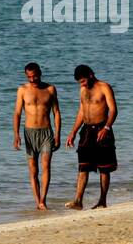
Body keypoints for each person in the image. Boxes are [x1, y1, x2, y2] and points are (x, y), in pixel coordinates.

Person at [65, 65, 117, 209]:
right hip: (86, 131)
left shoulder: (104, 87)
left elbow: (113, 110)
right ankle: (78, 201)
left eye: (83, 81)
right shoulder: (82, 90)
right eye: (79, 82)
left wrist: (106, 128)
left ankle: (102, 200)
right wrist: (73, 132)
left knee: (104, 168)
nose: (82, 85)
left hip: (102, 129)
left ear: (90, 75)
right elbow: (81, 111)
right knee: (83, 166)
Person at [12, 63, 61, 210]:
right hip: (29, 133)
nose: (32, 79)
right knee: (33, 170)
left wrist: (58, 134)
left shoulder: (50, 89)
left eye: (35, 76)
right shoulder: (22, 90)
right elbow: (17, 113)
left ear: (40, 73)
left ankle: (43, 201)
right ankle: (37, 201)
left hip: (46, 132)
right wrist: (16, 135)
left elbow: (56, 112)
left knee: (46, 166)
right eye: (29, 77)